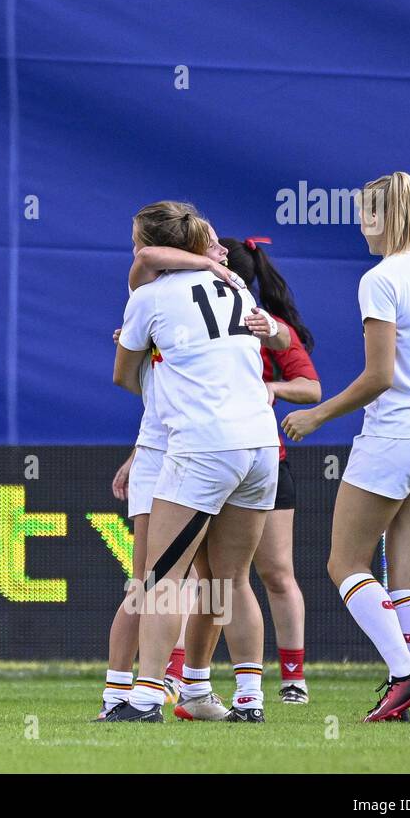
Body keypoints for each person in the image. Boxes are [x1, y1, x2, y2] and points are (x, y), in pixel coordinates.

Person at [282, 172, 410, 722]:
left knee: (345, 563)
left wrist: (317, 414)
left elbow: (379, 375)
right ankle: (399, 688)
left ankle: (406, 675)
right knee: (408, 574)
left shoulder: (381, 278)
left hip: (395, 438)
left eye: (367, 213)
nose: (361, 224)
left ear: (388, 216)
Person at [107, 201, 280, 723]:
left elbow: (123, 376)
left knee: (162, 580)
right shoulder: (236, 287)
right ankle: (247, 699)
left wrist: (148, 361)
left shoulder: (152, 295)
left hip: (204, 444)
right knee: (230, 580)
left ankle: (142, 699)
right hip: (261, 446)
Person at [220, 236, 321, 704]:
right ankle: (181, 677)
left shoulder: (267, 325)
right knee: (201, 577)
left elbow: (311, 388)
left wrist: (274, 389)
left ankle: (294, 680)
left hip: (265, 461)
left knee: (276, 573)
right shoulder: (186, 316)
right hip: (208, 456)